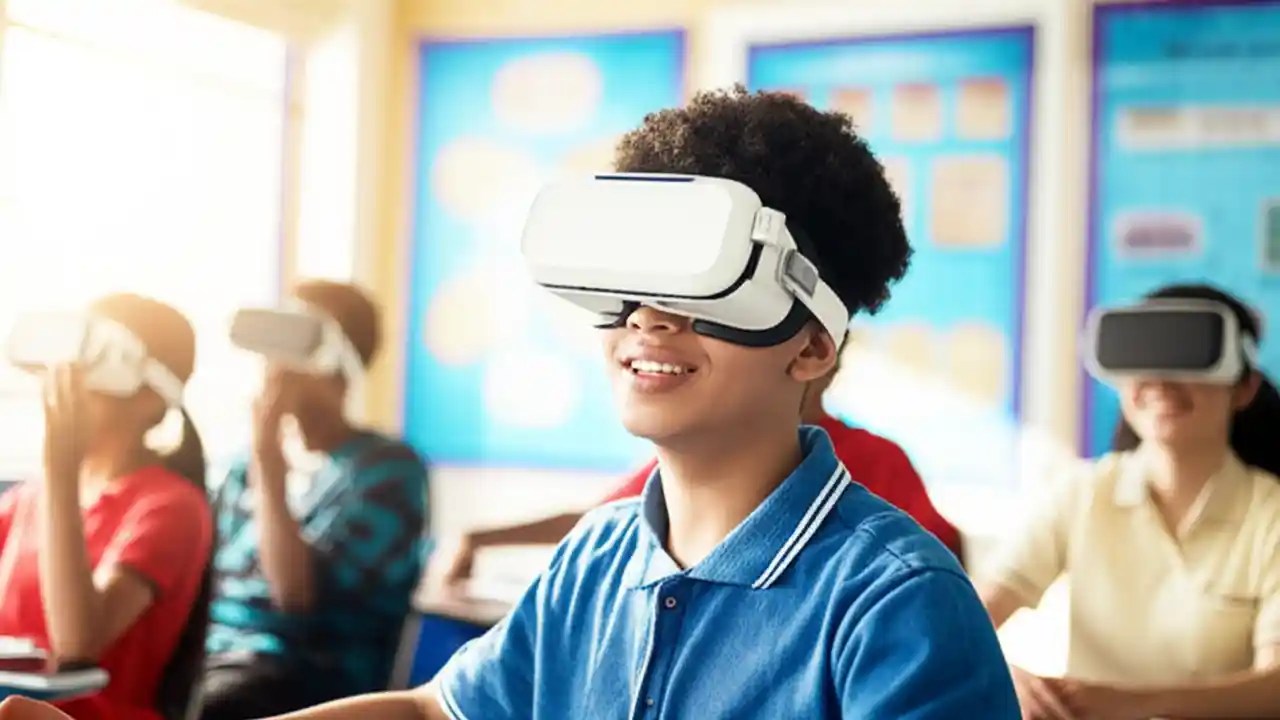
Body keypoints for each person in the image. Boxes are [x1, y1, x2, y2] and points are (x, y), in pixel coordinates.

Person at [0, 87, 1017, 719]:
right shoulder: (595, 556)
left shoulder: (897, 604)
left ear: (811, 341)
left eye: (706, 286)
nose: (647, 323)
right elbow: (440, 710)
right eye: (627, 287)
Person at [978, 283, 1280, 720]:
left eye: (1186, 359)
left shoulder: (1270, 514)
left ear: (1244, 388)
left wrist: (1128, 704)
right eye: (1142, 359)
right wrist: (1005, 676)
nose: (1159, 381)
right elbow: (969, 616)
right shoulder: (1078, 493)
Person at [434, 357, 963, 588]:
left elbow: (940, 555)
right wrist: (480, 537)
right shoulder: (708, 454)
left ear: (820, 358)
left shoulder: (875, 458)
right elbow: (605, 518)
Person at [196, 281, 430, 719]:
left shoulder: (388, 472)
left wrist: (268, 460)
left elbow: (294, 594)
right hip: (212, 661)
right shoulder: (238, 470)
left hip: (303, 679)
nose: (274, 364)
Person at [0, 294, 214, 720]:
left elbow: (77, 643)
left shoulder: (172, 507)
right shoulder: (28, 498)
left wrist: (60, 468)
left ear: (151, 397)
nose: (71, 379)